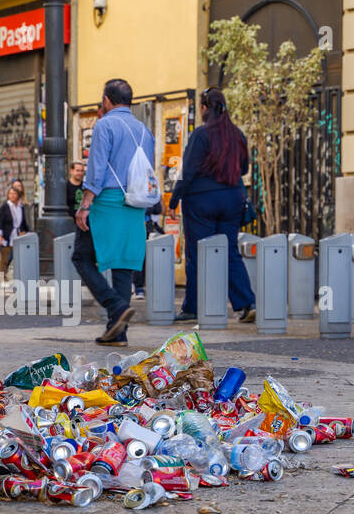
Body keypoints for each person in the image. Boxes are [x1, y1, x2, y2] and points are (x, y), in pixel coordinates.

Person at [74, 78, 154, 346]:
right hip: (134, 204)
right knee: (123, 267)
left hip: (107, 202)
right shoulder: (145, 130)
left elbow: (96, 169)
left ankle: (114, 306)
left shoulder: (105, 125)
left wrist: (85, 205)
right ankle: (117, 333)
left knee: (82, 257)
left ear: (106, 100)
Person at [169, 87, 257, 323]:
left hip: (201, 200)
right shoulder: (237, 135)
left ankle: (193, 307)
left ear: (205, 108)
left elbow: (187, 171)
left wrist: (174, 199)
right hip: (232, 199)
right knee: (229, 250)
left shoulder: (201, 134)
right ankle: (246, 303)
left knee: (197, 254)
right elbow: (245, 169)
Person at [0, 179, 31, 275]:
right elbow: (0, 222)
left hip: (18, 235)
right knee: (4, 259)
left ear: (18, 195)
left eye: (14, 194)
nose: (12, 196)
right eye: (10, 193)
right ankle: (1, 280)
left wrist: (28, 233)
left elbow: (23, 223)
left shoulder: (21, 207)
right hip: (7, 236)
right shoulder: (5, 206)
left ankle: (15, 278)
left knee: (17, 258)